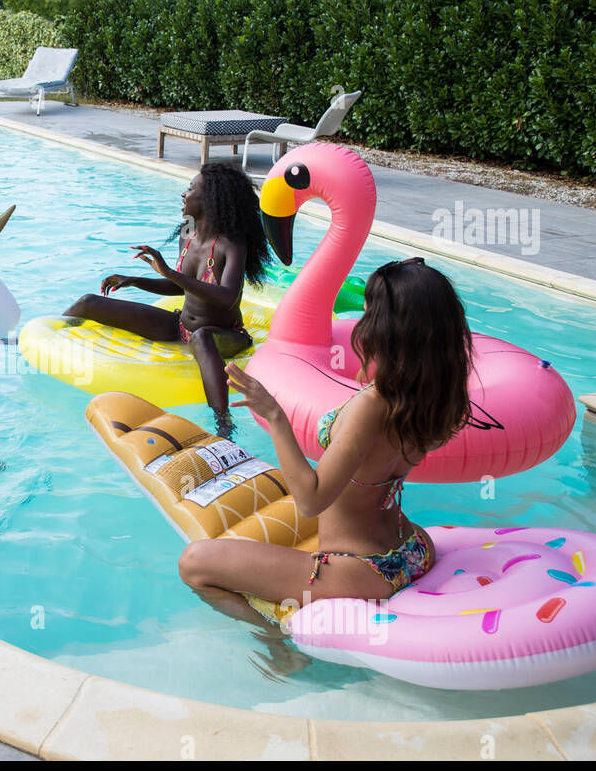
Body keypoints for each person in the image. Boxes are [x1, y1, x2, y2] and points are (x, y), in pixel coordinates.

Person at [177, 258, 474, 626]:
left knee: (194, 563)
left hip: (362, 570)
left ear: (384, 327)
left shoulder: (374, 405)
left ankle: (277, 638)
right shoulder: (435, 395)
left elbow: (311, 501)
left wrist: (274, 416)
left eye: (368, 313)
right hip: (413, 549)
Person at [62, 162, 277, 437]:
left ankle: (224, 424)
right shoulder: (188, 233)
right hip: (181, 326)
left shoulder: (230, 243)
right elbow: (179, 287)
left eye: (190, 189)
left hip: (225, 335)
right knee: (88, 302)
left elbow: (226, 297)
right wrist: (135, 280)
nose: (183, 195)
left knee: (201, 337)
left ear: (210, 198)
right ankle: (26, 341)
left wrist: (167, 271)